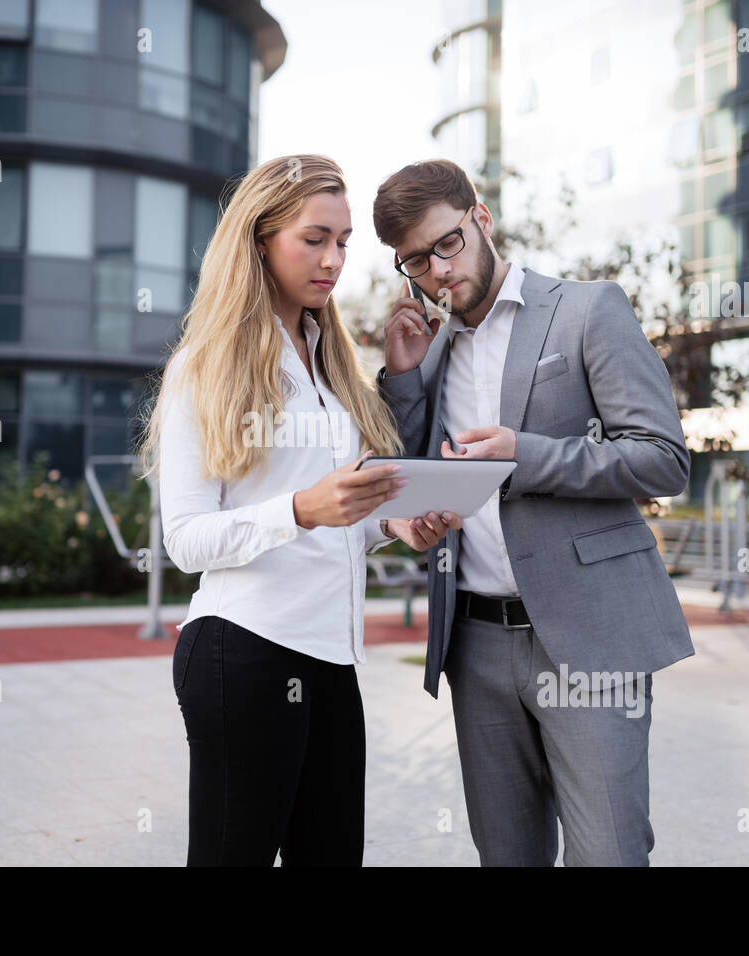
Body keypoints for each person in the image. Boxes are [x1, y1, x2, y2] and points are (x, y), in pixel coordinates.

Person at [138, 154, 460, 866]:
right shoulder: (205, 366)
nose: (334, 259)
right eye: (314, 238)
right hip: (243, 650)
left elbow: (339, 514)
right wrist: (302, 510)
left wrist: (394, 524)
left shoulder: (332, 363)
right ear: (260, 238)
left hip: (331, 658)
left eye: (343, 241)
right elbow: (187, 540)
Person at [371, 159, 694, 866]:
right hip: (476, 643)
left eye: (447, 243)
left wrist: (526, 456)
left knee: (608, 852)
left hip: (589, 633)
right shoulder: (425, 353)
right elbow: (403, 480)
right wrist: (399, 379)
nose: (437, 272)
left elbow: (663, 458)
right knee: (506, 855)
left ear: (480, 218)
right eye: (415, 261)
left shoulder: (587, 310)